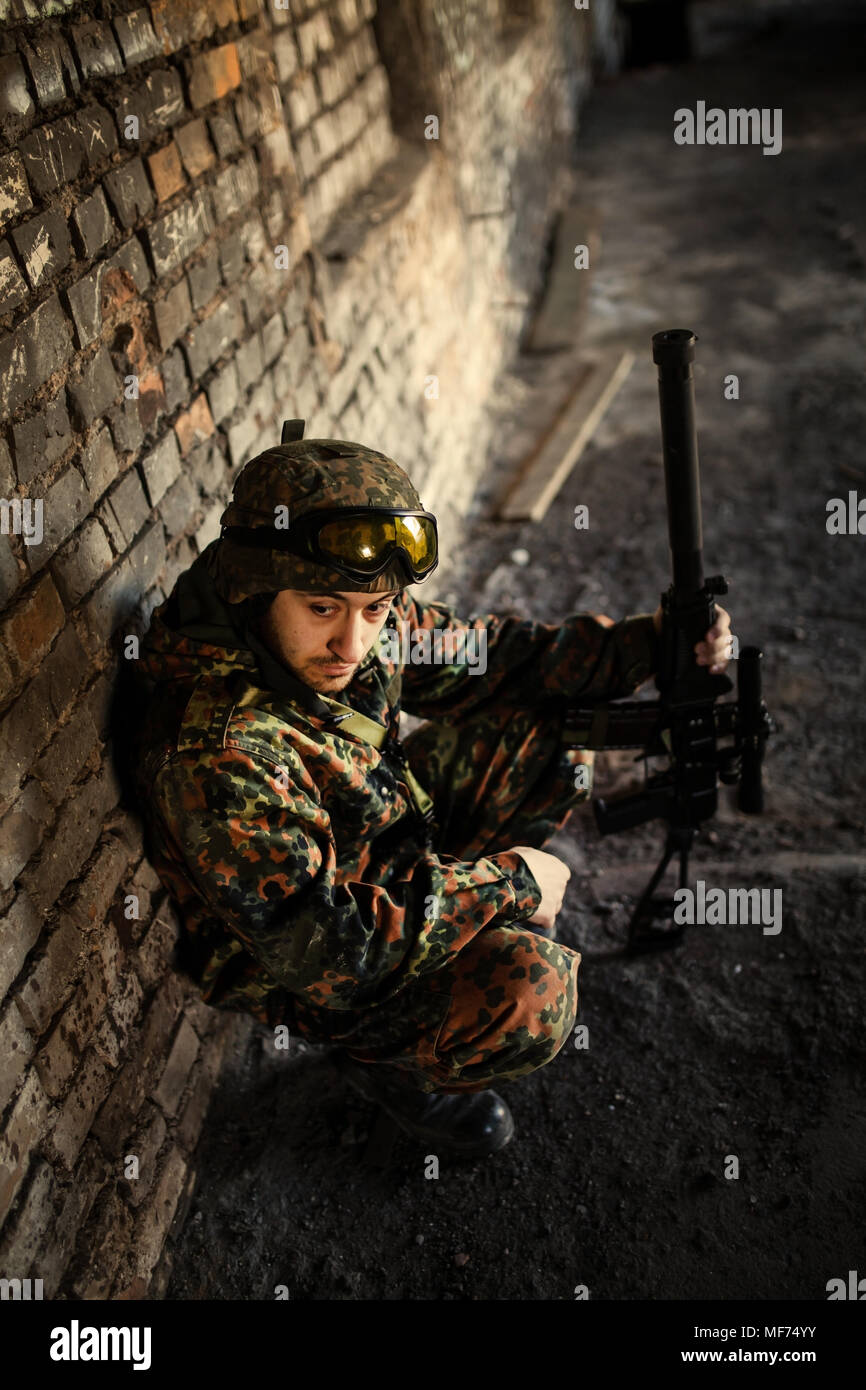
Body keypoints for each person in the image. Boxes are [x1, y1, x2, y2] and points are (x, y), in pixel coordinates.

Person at [130, 426, 732, 1159]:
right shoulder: (221, 750)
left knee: (548, 726)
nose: (353, 645)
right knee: (531, 993)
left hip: (378, 841)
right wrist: (508, 884)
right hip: (307, 960)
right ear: (255, 592)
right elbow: (329, 949)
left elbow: (497, 658)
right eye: (323, 609)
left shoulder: (353, 621)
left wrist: (652, 641)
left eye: (376, 610)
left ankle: (453, 940)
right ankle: (392, 1064)